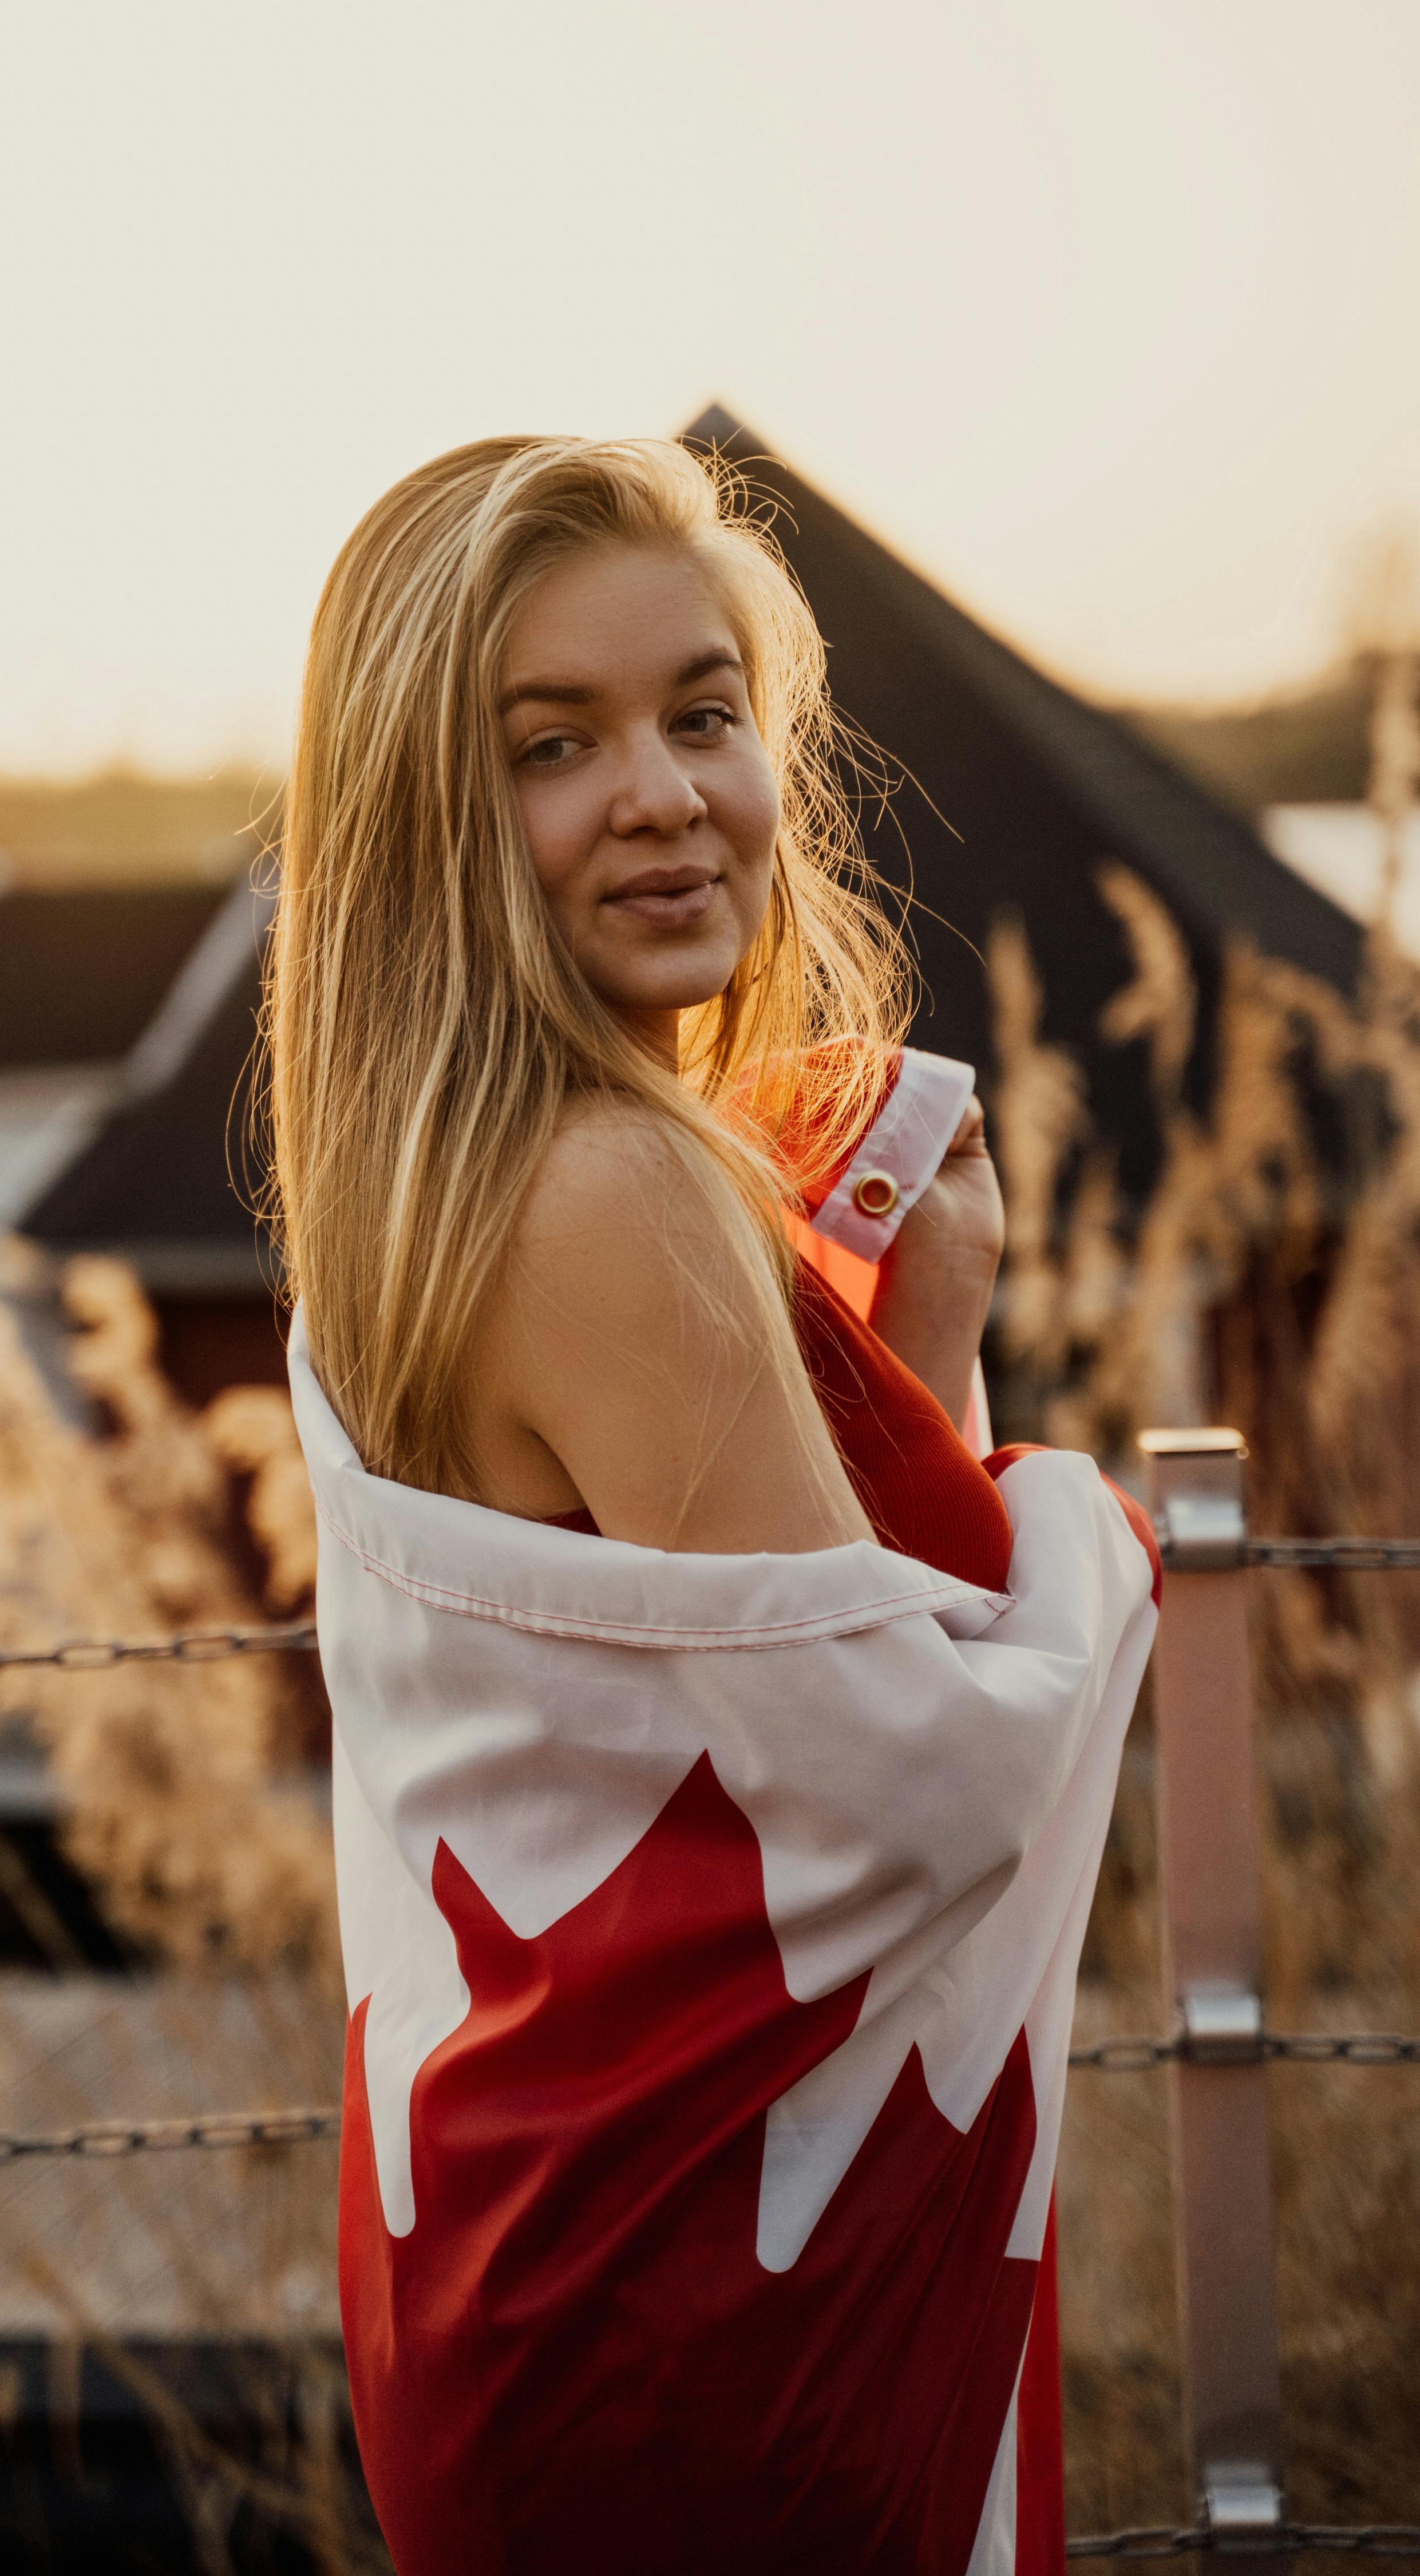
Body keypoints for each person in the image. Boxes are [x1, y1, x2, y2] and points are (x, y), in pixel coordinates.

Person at [267, 436, 1158, 2576]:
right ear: (430, 818)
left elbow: (743, 1697)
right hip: (704, 2330)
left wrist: (902, 1343)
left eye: (704, 709)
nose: (665, 790)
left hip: (524, 2260)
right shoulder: (616, 1183)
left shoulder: (405, 1182)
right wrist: (1061, 1518)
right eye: (553, 744)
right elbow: (907, 1780)